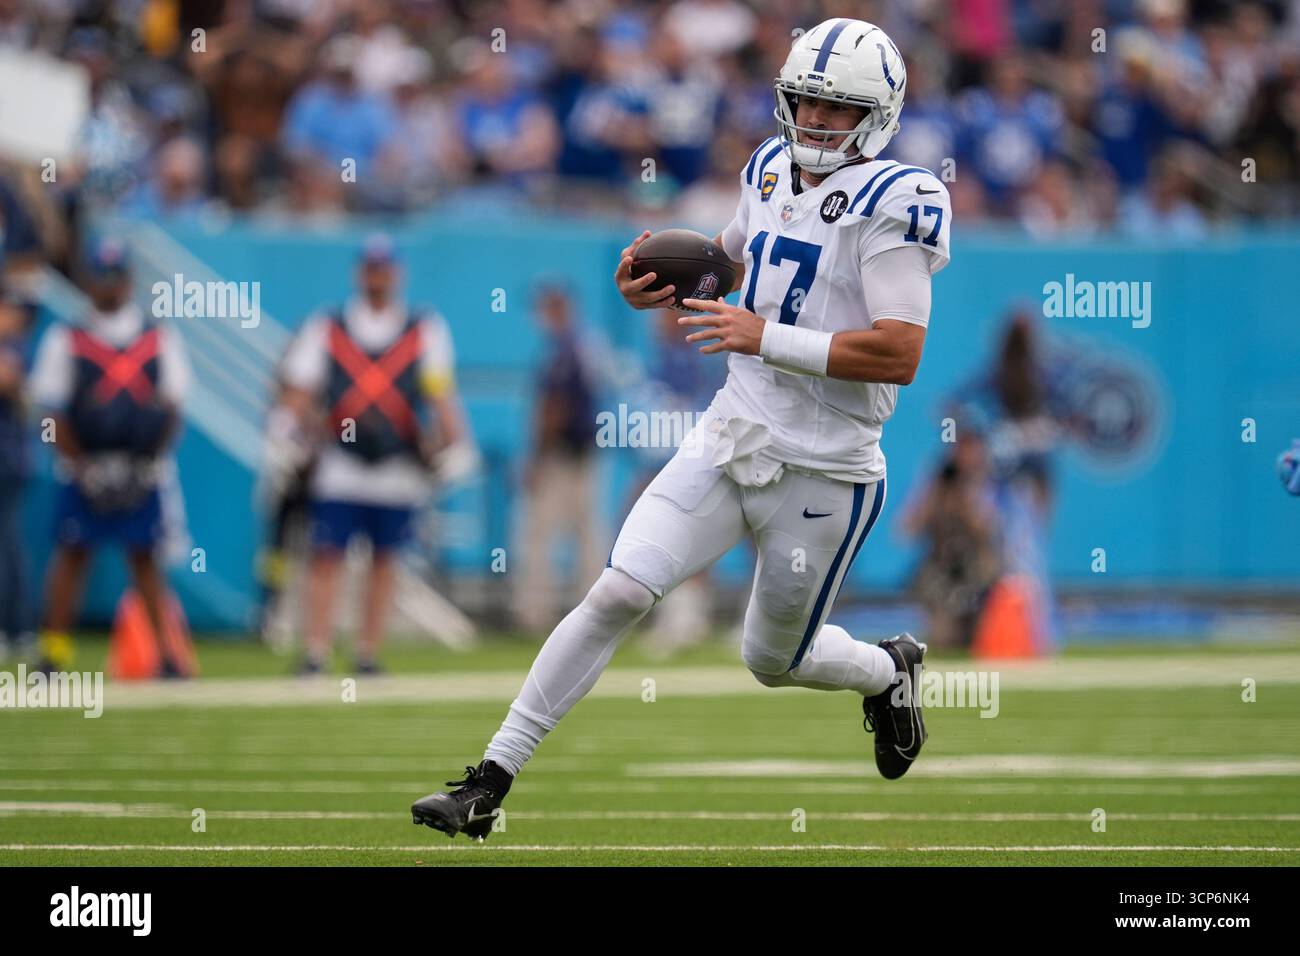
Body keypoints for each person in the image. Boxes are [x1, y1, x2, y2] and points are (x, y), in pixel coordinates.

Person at [413, 18, 953, 839]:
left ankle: (887, 671)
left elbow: (898, 352)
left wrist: (762, 335)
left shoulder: (899, 199)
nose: (812, 120)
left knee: (772, 661)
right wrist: (662, 279)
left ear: (876, 116)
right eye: (803, 100)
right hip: (733, 432)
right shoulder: (770, 167)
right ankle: (488, 782)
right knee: (620, 589)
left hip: (827, 470)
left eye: (834, 109)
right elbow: (735, 260)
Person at [277, 234, 464, 674]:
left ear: (397, 273)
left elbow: (440, 392)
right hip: (341, 461)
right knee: (327, 555)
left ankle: (367, 652)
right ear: (360, 272)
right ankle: (316, 650)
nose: (378, 276)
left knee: (385, 560)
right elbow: (301, 388)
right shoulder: (329, 324)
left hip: (397, 462)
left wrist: (453, 441)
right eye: (371, 267)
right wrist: (285, 433)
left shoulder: (424, 328)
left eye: (385, 268)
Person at [28, 238, 192, 675]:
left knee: (146, 558)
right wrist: (80, 467)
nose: (108, 287)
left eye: (115, 278)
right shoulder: (68, 339)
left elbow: (173, 407)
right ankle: (54, 653)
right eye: (101, 278)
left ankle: (165, 655)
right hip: (87, 466)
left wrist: (149, 461)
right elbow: (52, 412)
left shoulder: (158, 338)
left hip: (140, 465)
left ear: (128, 281)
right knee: (71, 554)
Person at [512, 283, 605, 635]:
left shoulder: (565, 350)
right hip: (584, 453)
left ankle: (535, 612)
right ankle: (595, 614)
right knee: (586, 535)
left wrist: (535, 459)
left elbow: (555, 410)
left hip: (563, 457)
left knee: (540, 534)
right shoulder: (586, 345)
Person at [0, 290, 35, 660]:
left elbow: (7, 380)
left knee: (7, 544)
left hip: (8, 459)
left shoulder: (15, 347)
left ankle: (16, 627)